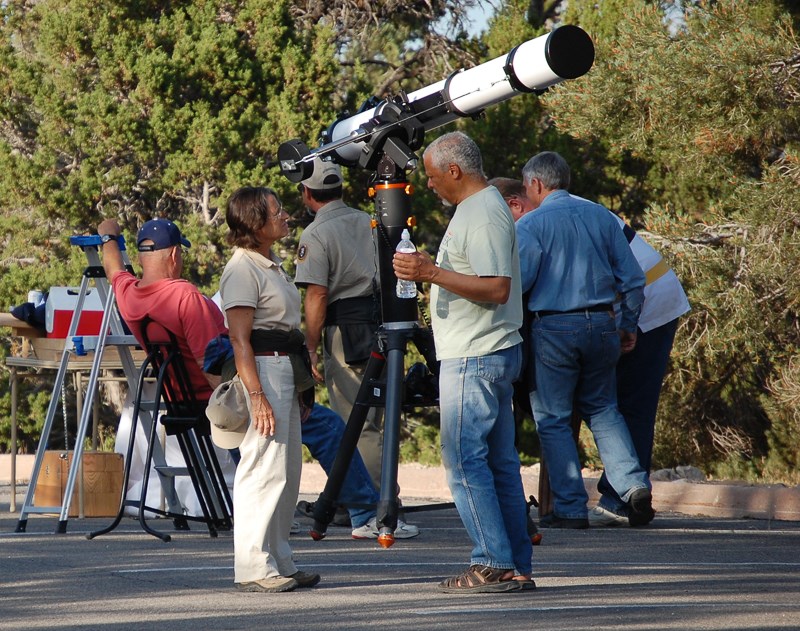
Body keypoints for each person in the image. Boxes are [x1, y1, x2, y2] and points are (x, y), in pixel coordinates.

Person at [393, 131, 533, 593]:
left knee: (463, 462)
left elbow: (497, 288)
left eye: (432, 177)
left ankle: (492, 561)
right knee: (497, 465)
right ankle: (513, 565)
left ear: (454, 170)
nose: (429, 185)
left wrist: (430, 272)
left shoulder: (483, 213)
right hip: (483, 351)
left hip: (475, 354)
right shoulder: (478, 209)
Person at [515, 151, 653, 529]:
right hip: (603, 324)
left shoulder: (531, 225)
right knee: (604, 410)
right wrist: (626, 324)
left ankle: (570, 507)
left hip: (555, 327)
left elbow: (520, 285)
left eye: (527, 187)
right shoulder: (601, 217)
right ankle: (633, 486)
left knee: (554, 418)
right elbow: (634, 280)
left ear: (537, 184)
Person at [294, 155, 418, 537]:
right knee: (380, 420)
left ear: (306, 193)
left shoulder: (316, 235)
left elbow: (316, 295)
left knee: (356, 423)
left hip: (344, 333)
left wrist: (310, 347)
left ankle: (373, 510)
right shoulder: (369, 220)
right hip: (382, 324)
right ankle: (378, 501)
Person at [219, 186, 320, 593]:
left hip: (282, 366)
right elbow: (240, 340)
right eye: (276, 212)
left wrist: (298, 386)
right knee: (261, 466)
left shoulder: (269, 262)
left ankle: (279, 559)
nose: (285, 216)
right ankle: (253, 565)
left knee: (286, 470)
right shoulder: (242, 268)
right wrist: (257, 396)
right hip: (261, 368)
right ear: (255, 222)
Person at [96, 218, 230, 397]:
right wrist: (240, 403)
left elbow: (114, 271)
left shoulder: (129, 295)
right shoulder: (185, 296)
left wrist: (108, 237)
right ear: (175, 254)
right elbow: (210, 364)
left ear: (139, 259)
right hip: (209, 402)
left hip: (178, 400)